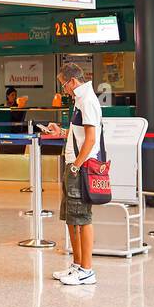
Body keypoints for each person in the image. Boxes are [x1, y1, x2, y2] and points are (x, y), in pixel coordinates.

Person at [43, 62, 101, 287]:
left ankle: (87, 269)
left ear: (73, 81)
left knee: (83, 218)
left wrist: (77, 165)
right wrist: (62, 132)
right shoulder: (79, 101)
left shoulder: (87, 100)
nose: (63, 89)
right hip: (73, 165)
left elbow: (91, 139)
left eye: (64, 84)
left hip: (82, 167)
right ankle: (77, 265)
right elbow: (79, 134)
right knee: (71, 217)